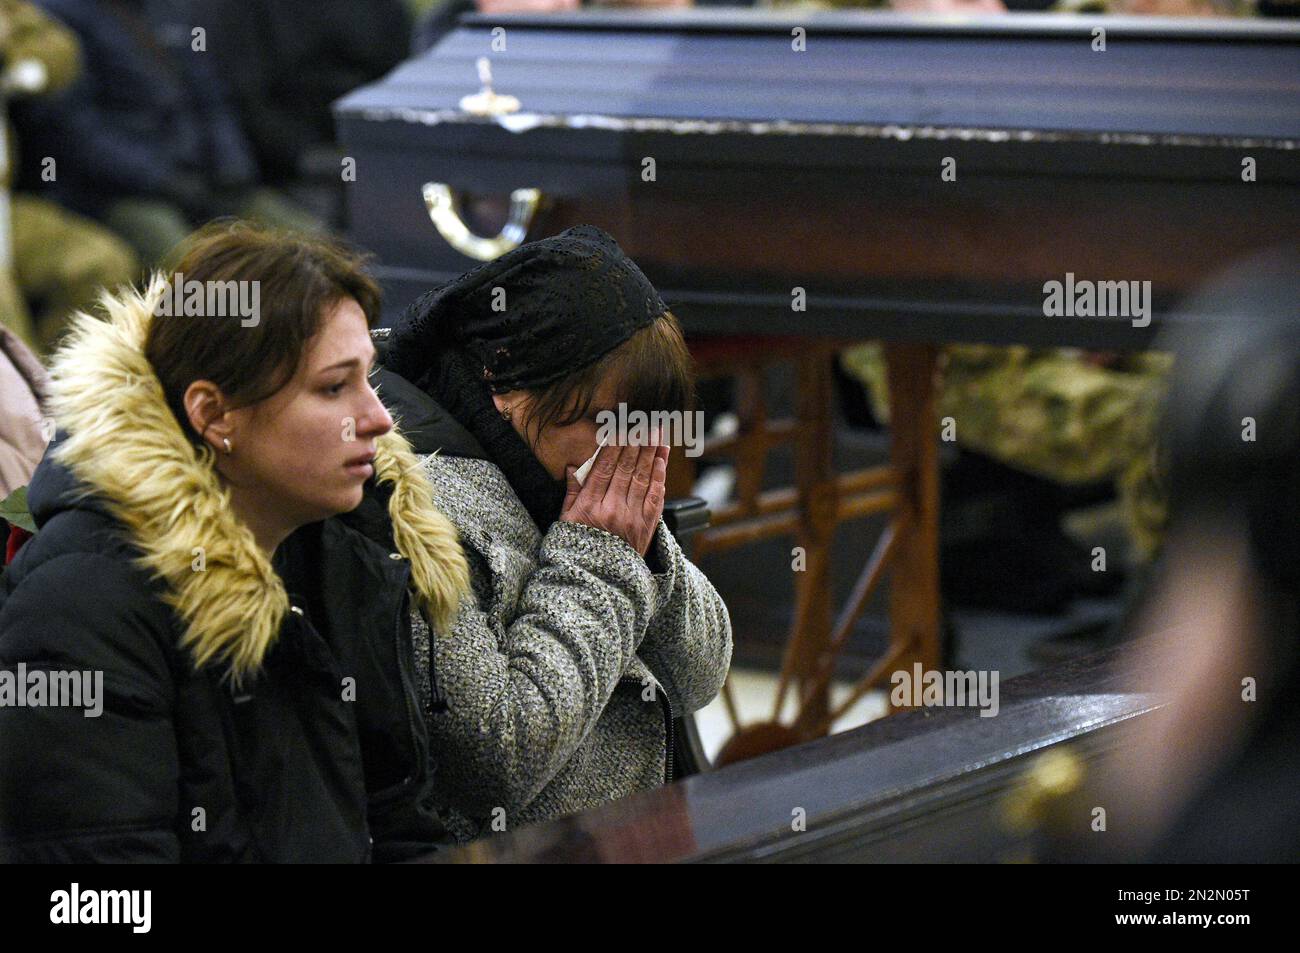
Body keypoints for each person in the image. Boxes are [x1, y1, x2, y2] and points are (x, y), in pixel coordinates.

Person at [0, 222, 469, 862]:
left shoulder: (345, 553)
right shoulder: (82, 610)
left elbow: (398, 826)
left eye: (368, 377)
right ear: (215, 415)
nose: (379, 418)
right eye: (334, 387)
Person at [379, 224, 732, 840]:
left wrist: (642, 549)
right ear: (504, 381)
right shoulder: (415, 503)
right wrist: (599, 560)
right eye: (605, 423)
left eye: (644, 427)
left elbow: (697, 678)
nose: (625, 453)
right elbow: (493, 760)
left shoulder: (574, 473)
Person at [1, 0, 138, 354]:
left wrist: (13, 59)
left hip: (7, 206)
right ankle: (24, 383)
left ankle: (53, 379)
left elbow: (61, 49)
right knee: (5, 305)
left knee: (102, 266)